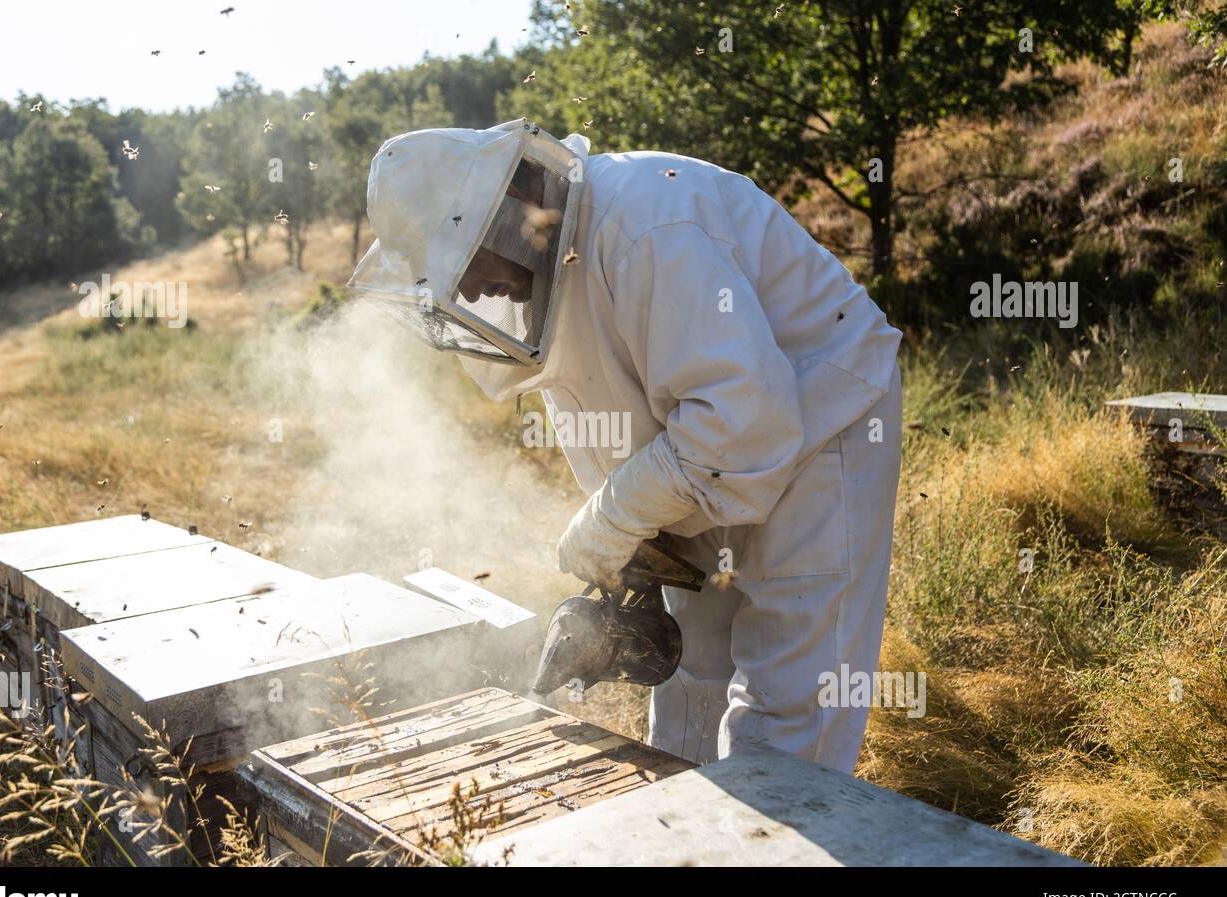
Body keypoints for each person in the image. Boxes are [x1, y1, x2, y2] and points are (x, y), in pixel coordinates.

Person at [349, 118, 903, 772]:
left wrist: (614, 518)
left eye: (465, 259)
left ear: (517, 198)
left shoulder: (649, 224)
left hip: (822, 423)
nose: (469, 291)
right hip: (700, 459)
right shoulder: (551, 269)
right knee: (694, 675)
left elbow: (740, 416)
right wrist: (633, 539)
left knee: (787, 704)